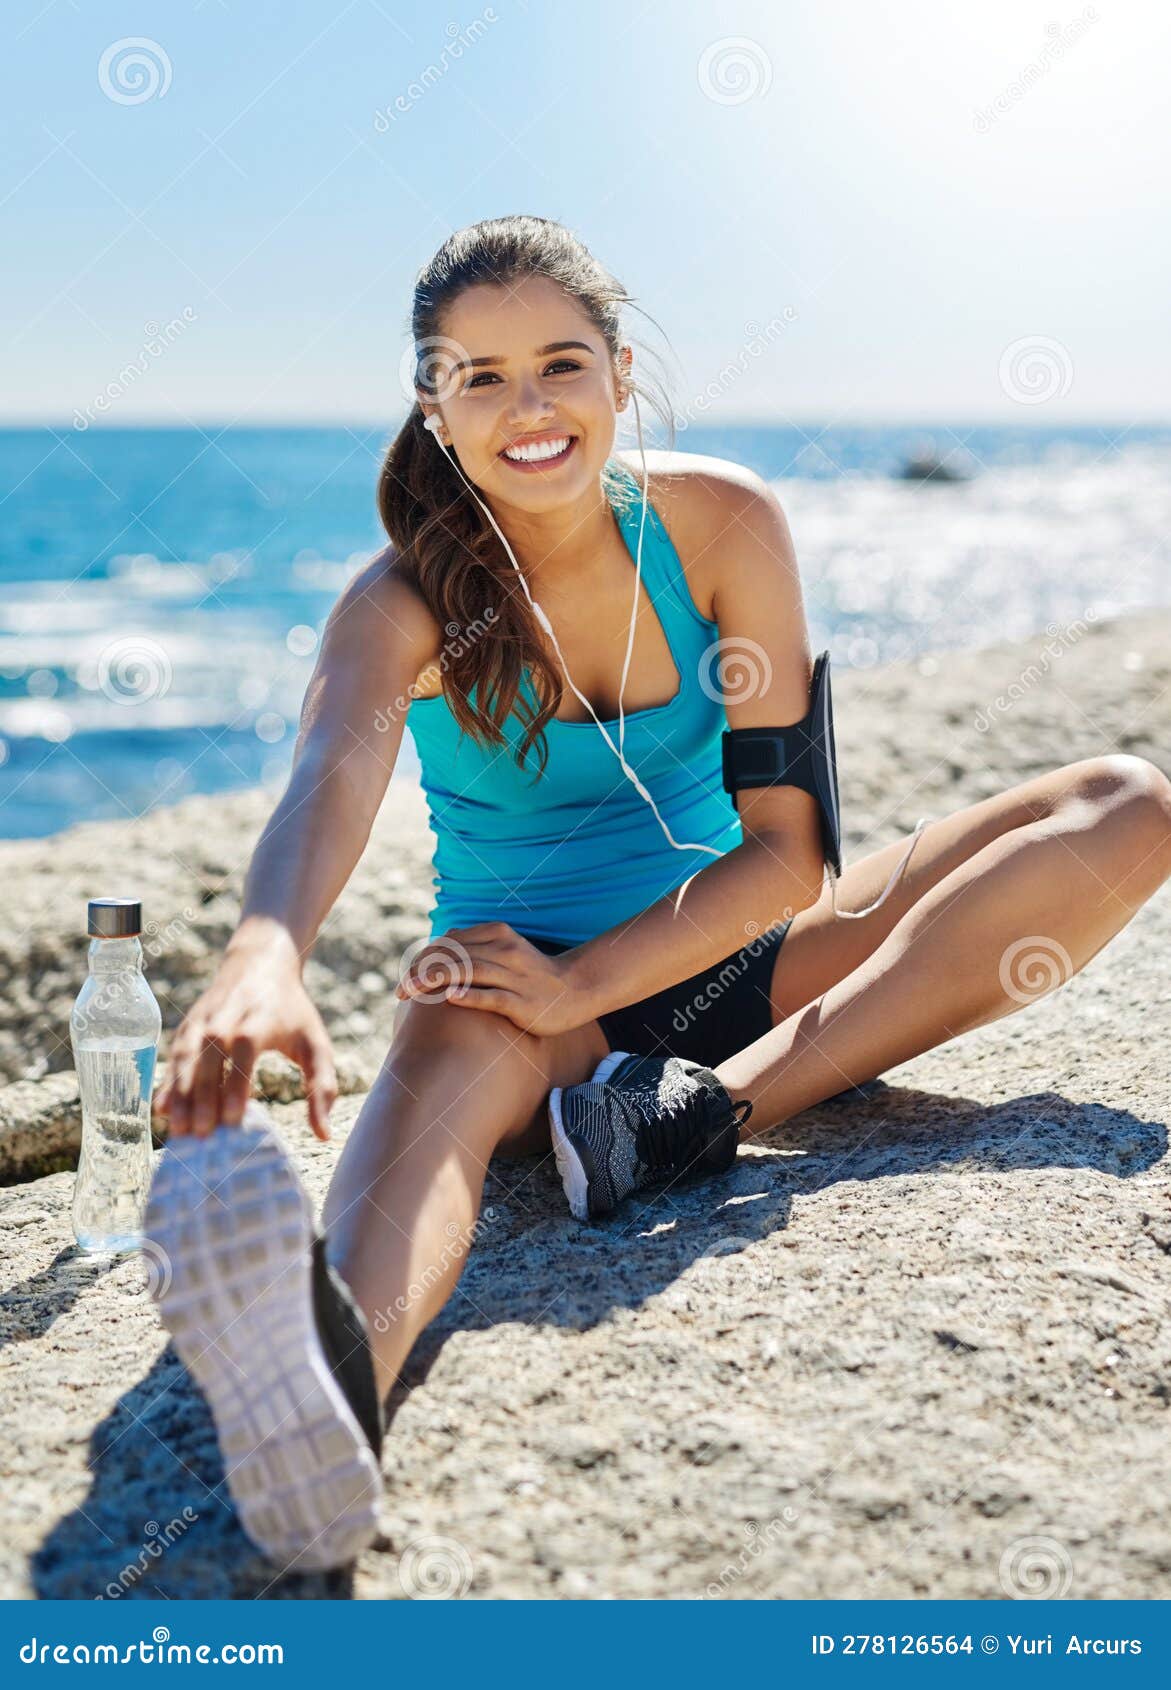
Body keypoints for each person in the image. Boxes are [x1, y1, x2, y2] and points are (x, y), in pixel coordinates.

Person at [150, 215, 1171, 1572]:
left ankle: (695, 1118)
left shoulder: (725, 524)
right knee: (440, 1072)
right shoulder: (397, 606)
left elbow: (787, 855)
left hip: (737, 957)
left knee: (1128, 803)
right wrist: (265, 952)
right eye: (483, 376)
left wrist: (611, 985)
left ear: (621, 376)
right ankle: (323, 1396)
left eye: (561, 364)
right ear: (433, 405)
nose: (530, 407)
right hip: (527, 1004)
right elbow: (326, 780)